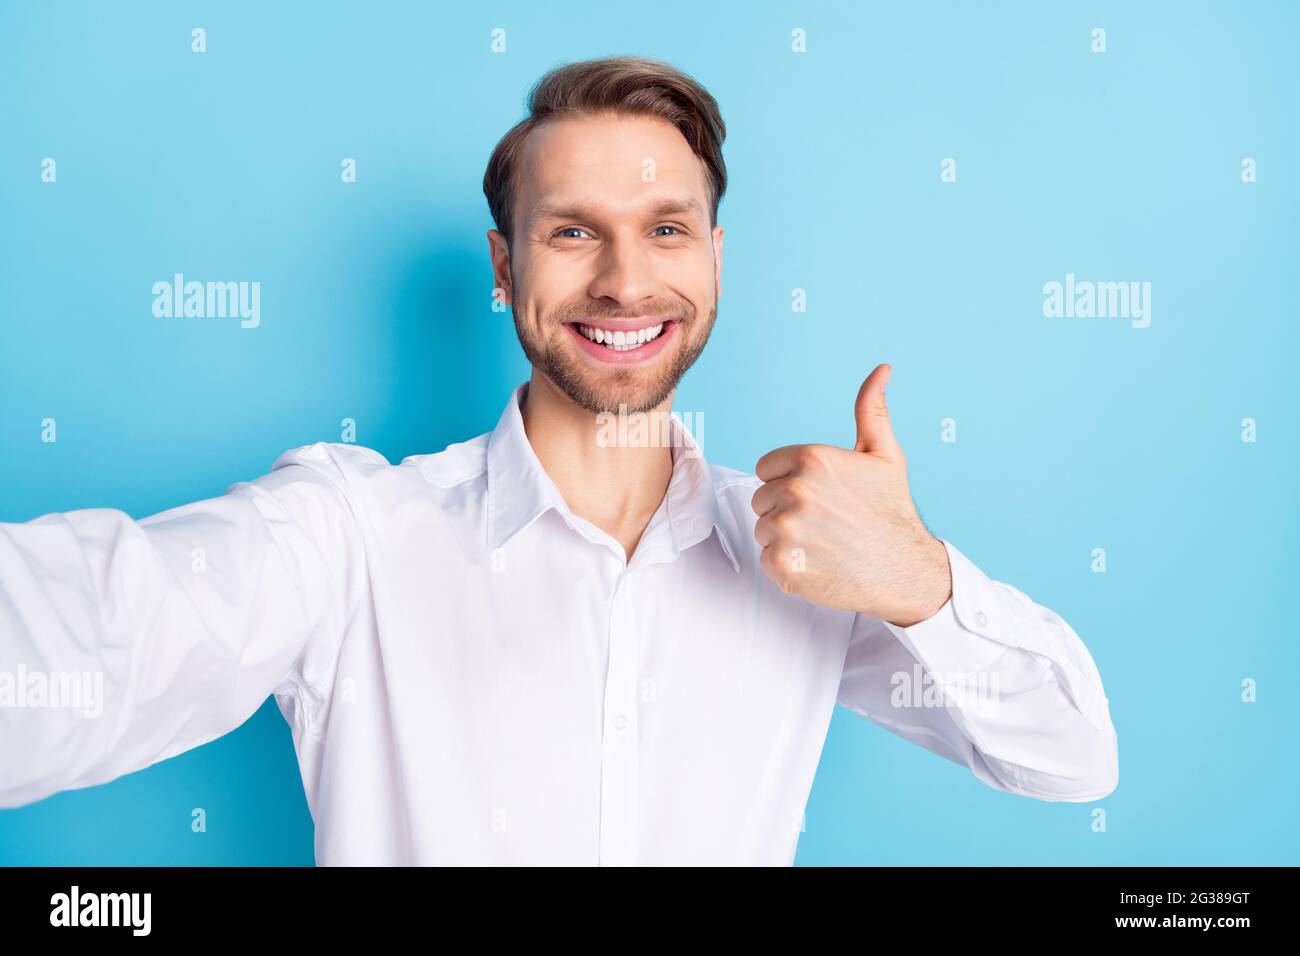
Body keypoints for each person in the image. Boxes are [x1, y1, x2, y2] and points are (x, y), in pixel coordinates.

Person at [0, 56, 1117, 865]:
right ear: (504, 262)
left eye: (666, 230)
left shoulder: (810, 556)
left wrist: (921, 583)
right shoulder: (347, 536)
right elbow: (89, 631)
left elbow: (1070, 754)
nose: (626, 283)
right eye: (572, 230)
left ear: (716, 259)